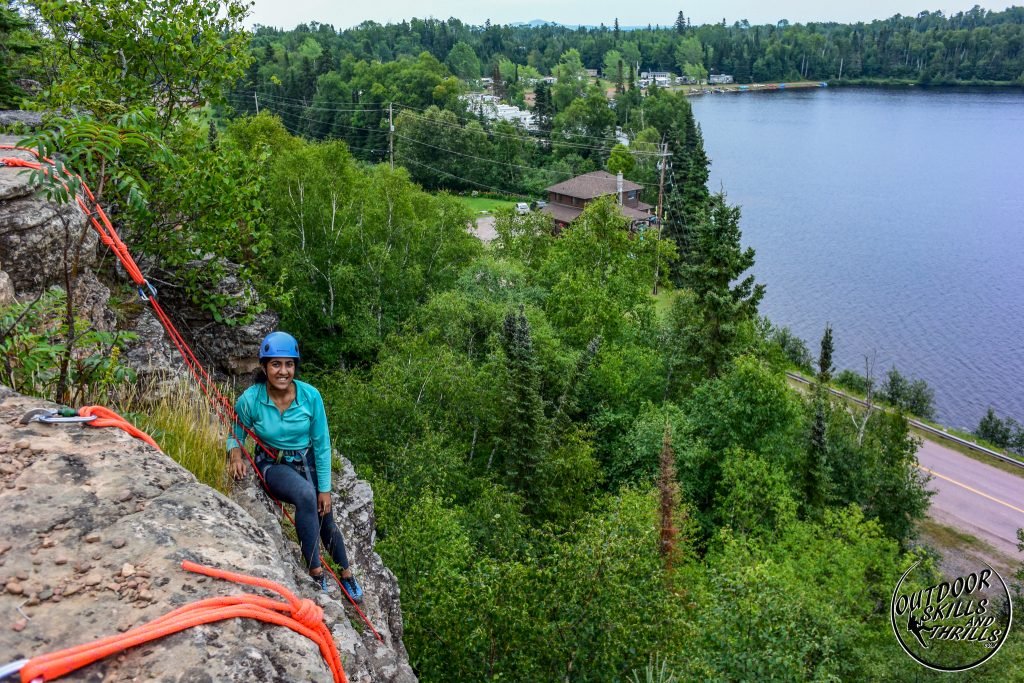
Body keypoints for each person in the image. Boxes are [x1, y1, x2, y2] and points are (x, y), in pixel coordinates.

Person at [226, 331, 363, 602]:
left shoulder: (310, 397)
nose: (283, 371)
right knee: (304, 495)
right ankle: (315, 573)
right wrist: (235, 456)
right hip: (273, 463)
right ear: (264, 367)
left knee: (326, 516)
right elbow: (236, 433)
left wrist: (325, 489)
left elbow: (322, 445)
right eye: (276, 364)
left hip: (306, 460)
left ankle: (346, 573)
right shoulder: (250, 399)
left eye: (289, 364)